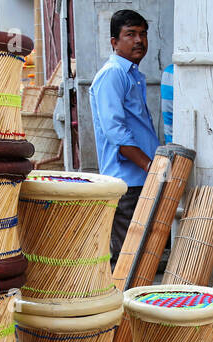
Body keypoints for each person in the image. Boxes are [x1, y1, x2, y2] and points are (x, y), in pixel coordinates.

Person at [89, 9, 160, 261]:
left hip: (140, 179)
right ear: (114, 42)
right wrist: (151, 166)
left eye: (143, 34)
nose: (139, 40)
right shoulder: (113, 74)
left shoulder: (133, 75)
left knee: (143, 254)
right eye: (130, 34)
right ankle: (120, 300)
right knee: (126, 257)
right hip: (126, 182)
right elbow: (117, 134)